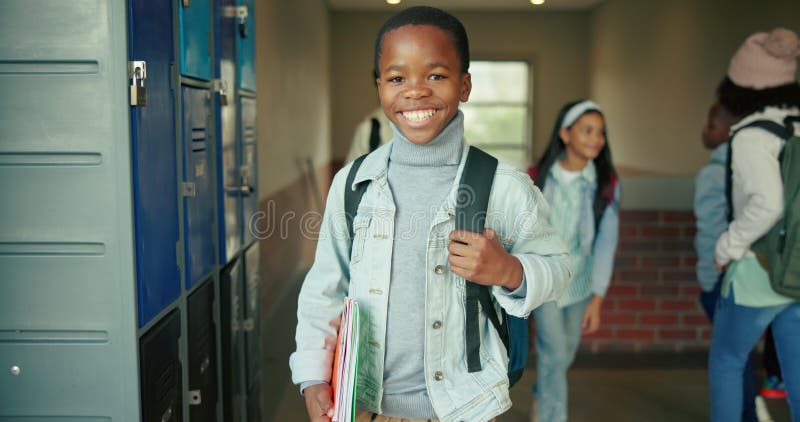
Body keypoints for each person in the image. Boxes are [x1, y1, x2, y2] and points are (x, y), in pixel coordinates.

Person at [289, 6, 572, 422]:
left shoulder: (502, 186)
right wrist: (314, 378)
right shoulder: (354, 184)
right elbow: (325, 289)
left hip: (465, 407)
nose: (415, 91)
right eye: (397, 78)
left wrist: (509, 270)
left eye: (436, 75)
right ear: (379, 86)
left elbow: (559, 269)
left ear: (465, 85)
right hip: (365, 406)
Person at [709, 28, 800, 422]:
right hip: (798, 268)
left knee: (728, 360)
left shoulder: (752, 135)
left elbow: (768, 204)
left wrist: (726, 246)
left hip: (758, 272)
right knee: (797, 376)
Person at [527, 100, 620, 422]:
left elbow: (606, 243)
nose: (596, 139)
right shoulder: (538, 177)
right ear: (565, 134)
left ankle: (542, 395)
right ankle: (552, 417)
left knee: (564, 353)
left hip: (580, 281)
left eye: (601, 133)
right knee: (553, 352)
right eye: (587, 131)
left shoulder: (605, 183)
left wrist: (598, 297)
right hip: (545, 277)